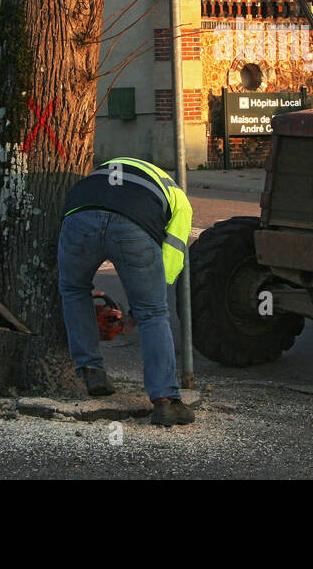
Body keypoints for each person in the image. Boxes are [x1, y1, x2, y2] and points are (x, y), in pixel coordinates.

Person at [57, 157, 194, 426]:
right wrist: (137, 314)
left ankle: (91, 371)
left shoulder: (101, 171)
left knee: (73, 290)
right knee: (154, 313)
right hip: (133, 225)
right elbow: (170, 262)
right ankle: (165, 401)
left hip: (80, 215)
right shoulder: (179, 199)